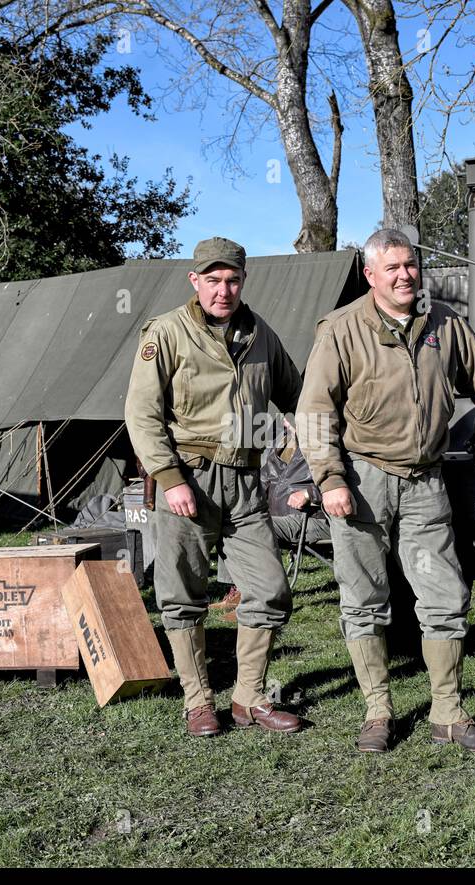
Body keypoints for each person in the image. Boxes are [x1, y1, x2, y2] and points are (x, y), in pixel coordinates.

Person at [297, 228, 475, 753]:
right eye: (392, 268)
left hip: (425, 480)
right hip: (361, 480)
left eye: (410, 265)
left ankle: (449, 712)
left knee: (445, 596)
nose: (404, 276)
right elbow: (314, 412)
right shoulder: (340, 330)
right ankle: (378, 712)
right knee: (364, 598)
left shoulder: (443, 323)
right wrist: (328, 478)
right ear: (371, 276)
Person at [125, 238, 304, 737]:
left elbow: (299, 392)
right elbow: (141, 415)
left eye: (232, 280)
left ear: (242, 282)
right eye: (213, 280)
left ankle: (249, 698)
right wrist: (169, 478)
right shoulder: (166, 333)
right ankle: (199, 702)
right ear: (195, 281)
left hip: (247, 482)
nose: (223, 290)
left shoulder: (259, 334)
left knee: (269, 589)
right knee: (183, 594)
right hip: (189, 478)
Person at [213, 427, 332, 619]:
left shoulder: (321, 440)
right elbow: (264, 479)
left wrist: (309, 494)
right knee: (230, 521)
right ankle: (239, 590)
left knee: (251, 531)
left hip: (311, 517)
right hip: (277, 514)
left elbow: (338, 479)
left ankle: (258, 599)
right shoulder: (282, 441)